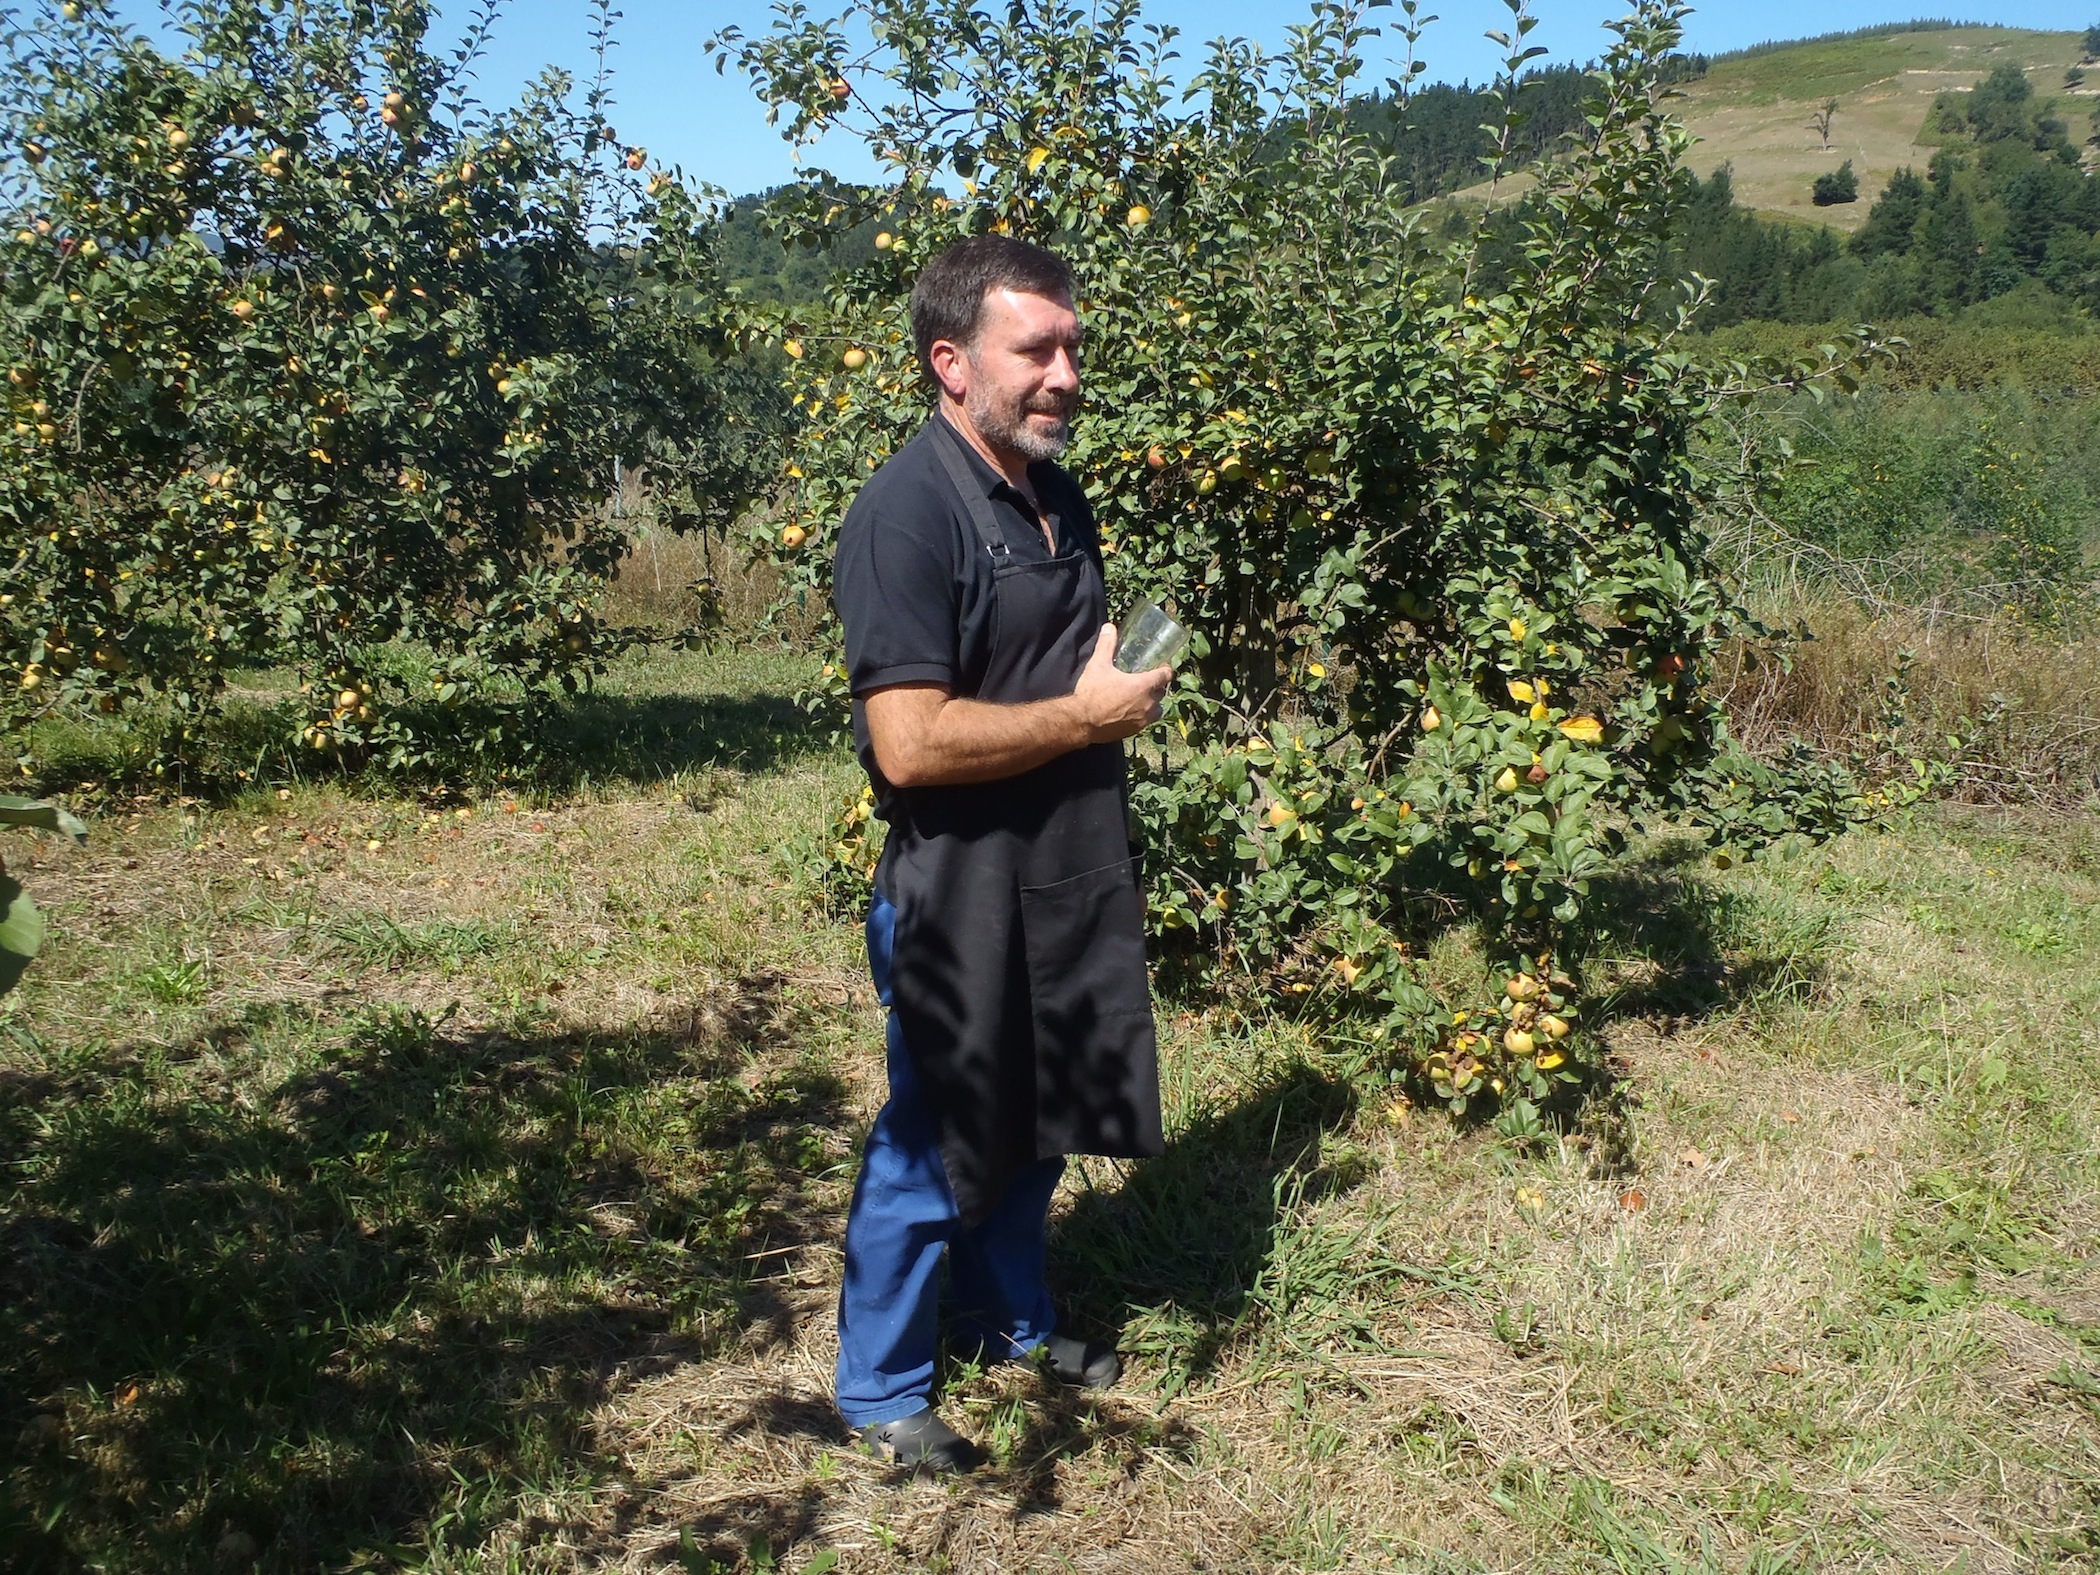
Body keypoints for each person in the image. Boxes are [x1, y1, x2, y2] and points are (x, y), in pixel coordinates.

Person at [829, 235, 1174, 1472]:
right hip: (957, 889)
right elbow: (909, 746)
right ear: (951, 363)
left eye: (1074, 347)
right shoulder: (904, 517)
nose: (1066, 373)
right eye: (1037, 349)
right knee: (934, 1141)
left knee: (1038, 1126)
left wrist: (1108, 687)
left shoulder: (1049, 489)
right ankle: (879, 1389)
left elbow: (1053, 660)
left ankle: (1011, 1325)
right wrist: (1087, 718)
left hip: (1064, 864)